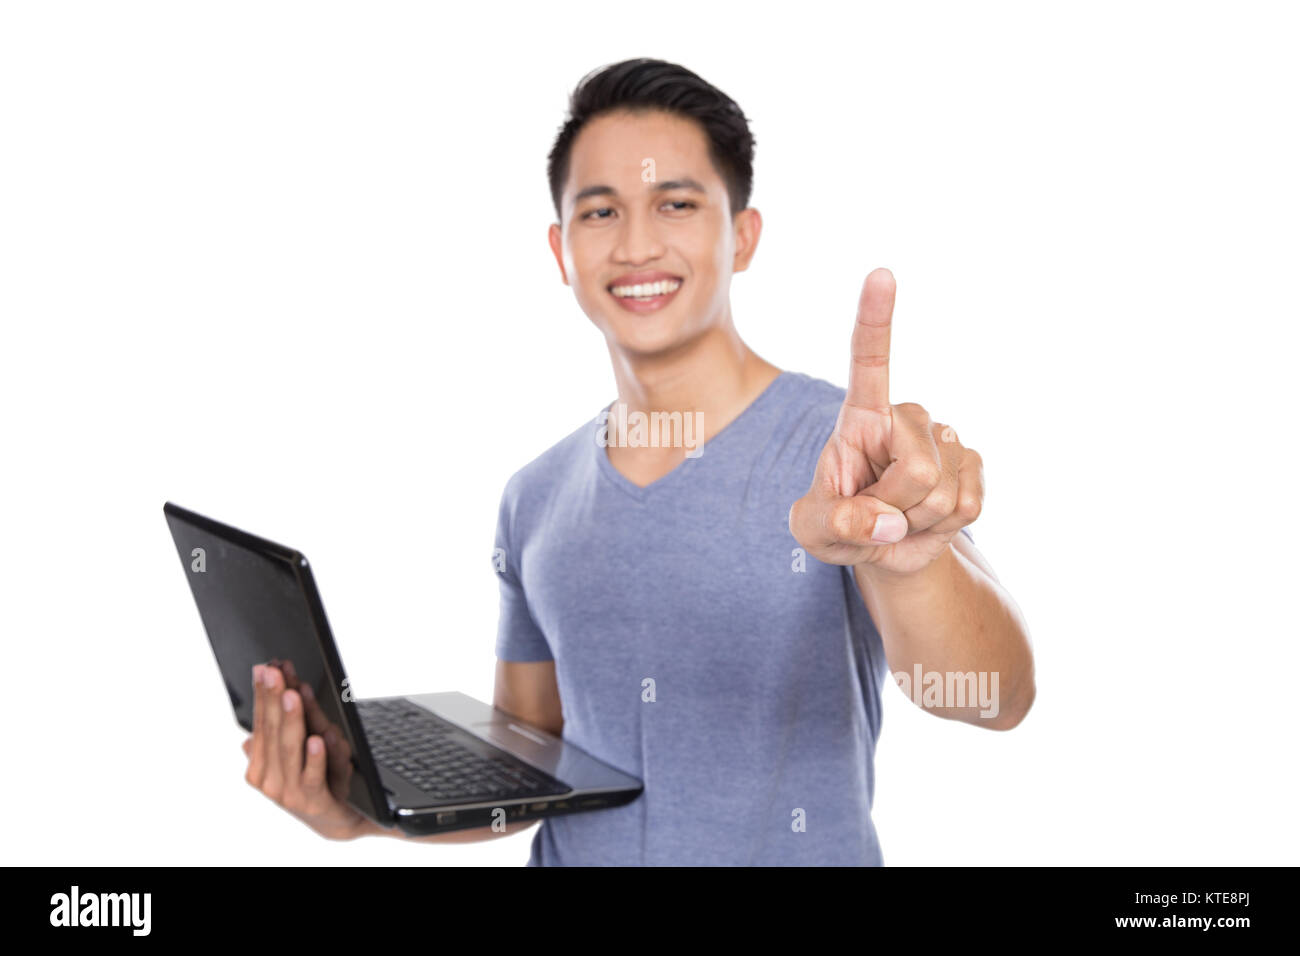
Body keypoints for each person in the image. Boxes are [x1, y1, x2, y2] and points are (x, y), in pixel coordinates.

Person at [242, 58, 1035, 864]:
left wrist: (906, 565)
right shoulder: (535, 496)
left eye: (677, 203)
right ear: (561, 249)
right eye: (599, 212)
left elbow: (1001, 698)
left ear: (744, 235)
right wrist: (364, 810)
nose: (637, 244)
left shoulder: (842, 453)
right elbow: (532, 755)